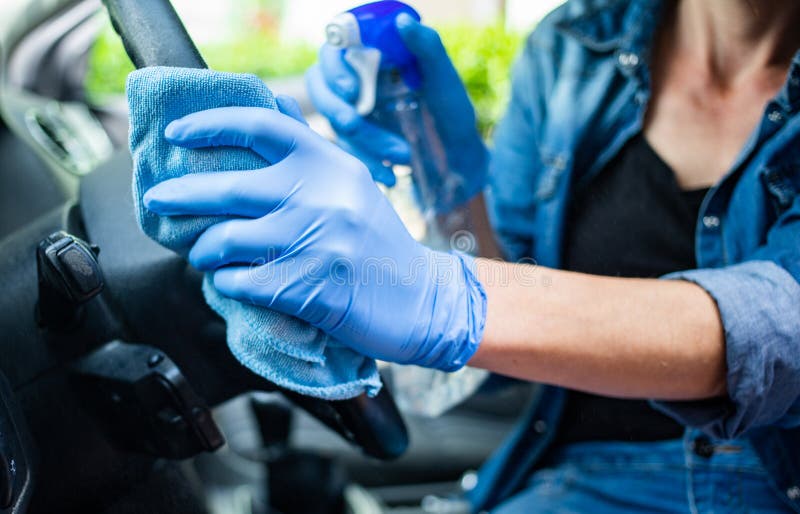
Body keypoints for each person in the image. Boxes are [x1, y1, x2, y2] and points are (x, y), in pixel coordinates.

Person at [142, 0, 800, 511]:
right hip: (559, 478)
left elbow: (778, 323)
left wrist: (444, 295)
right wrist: (442, 173)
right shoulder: (575, 47)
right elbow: (520, 332)